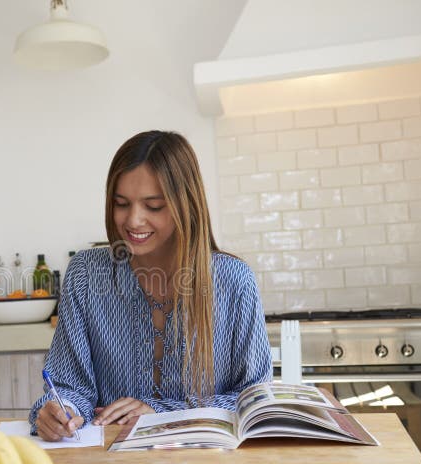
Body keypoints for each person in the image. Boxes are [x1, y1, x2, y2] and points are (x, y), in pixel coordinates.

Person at [30, 130, 272, 442]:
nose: (133, 220)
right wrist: (59, 411)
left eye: (153, 206)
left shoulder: (232, 280)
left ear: (185, 205)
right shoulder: (85, 274)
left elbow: (257, 399)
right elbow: (69, 387)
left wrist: (163, 413)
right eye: (121, 204)